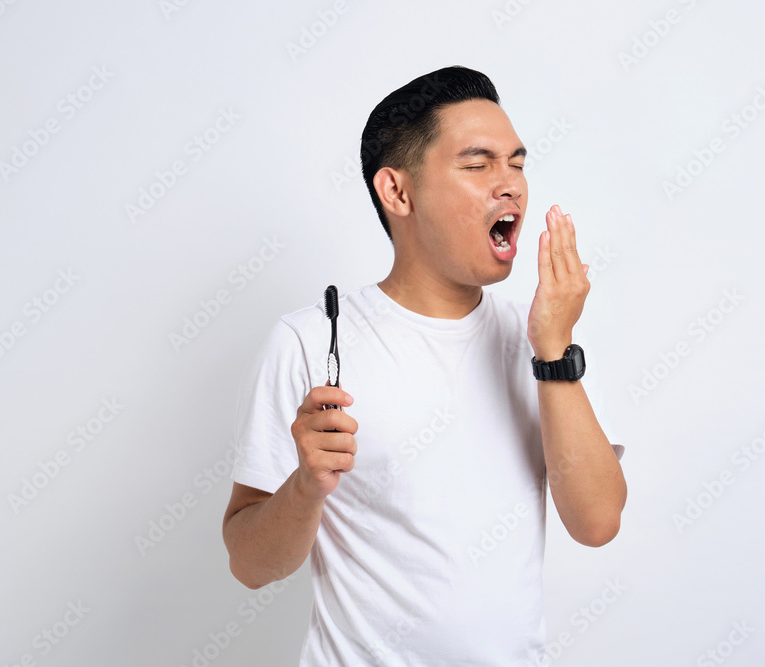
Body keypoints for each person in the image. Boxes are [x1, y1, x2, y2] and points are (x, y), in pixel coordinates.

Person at [222, 65, 627, 665]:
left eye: (516, 162)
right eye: (478, 163)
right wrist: (306, 486)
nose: (510, 184)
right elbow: (251, 566)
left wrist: (552, 352)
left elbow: (597, 523)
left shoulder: (541, 339)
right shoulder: (311, 342)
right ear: (398, 192)